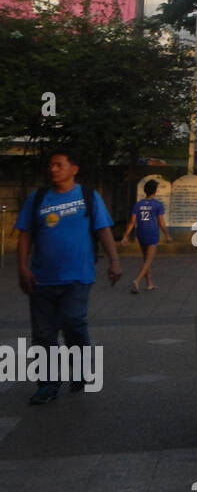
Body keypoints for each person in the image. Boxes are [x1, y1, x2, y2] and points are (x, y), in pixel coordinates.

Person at [15, 149, 122, 404]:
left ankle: (81, 368)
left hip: (77, 276)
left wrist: (114, 261)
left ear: (74, 169)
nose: (53, 169)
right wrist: (22, 267)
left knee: (73, 322)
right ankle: (47, 384)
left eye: (59, 165)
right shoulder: (38, 198)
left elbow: (104, 230)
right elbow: (25, 234)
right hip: (41, 279)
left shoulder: (88, 196)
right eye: (51, 165)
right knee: (43, 334)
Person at [123, 179, 171, 293]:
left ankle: (149, 284)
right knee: (148, 261)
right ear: (155, 191)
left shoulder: (138, 205)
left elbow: (132, 222)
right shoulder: (157, 205)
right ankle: (137, 280)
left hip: (141, 234)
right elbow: (161, 223)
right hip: (152, 234)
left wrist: (125, 236)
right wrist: (167, 235)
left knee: (145, 259)